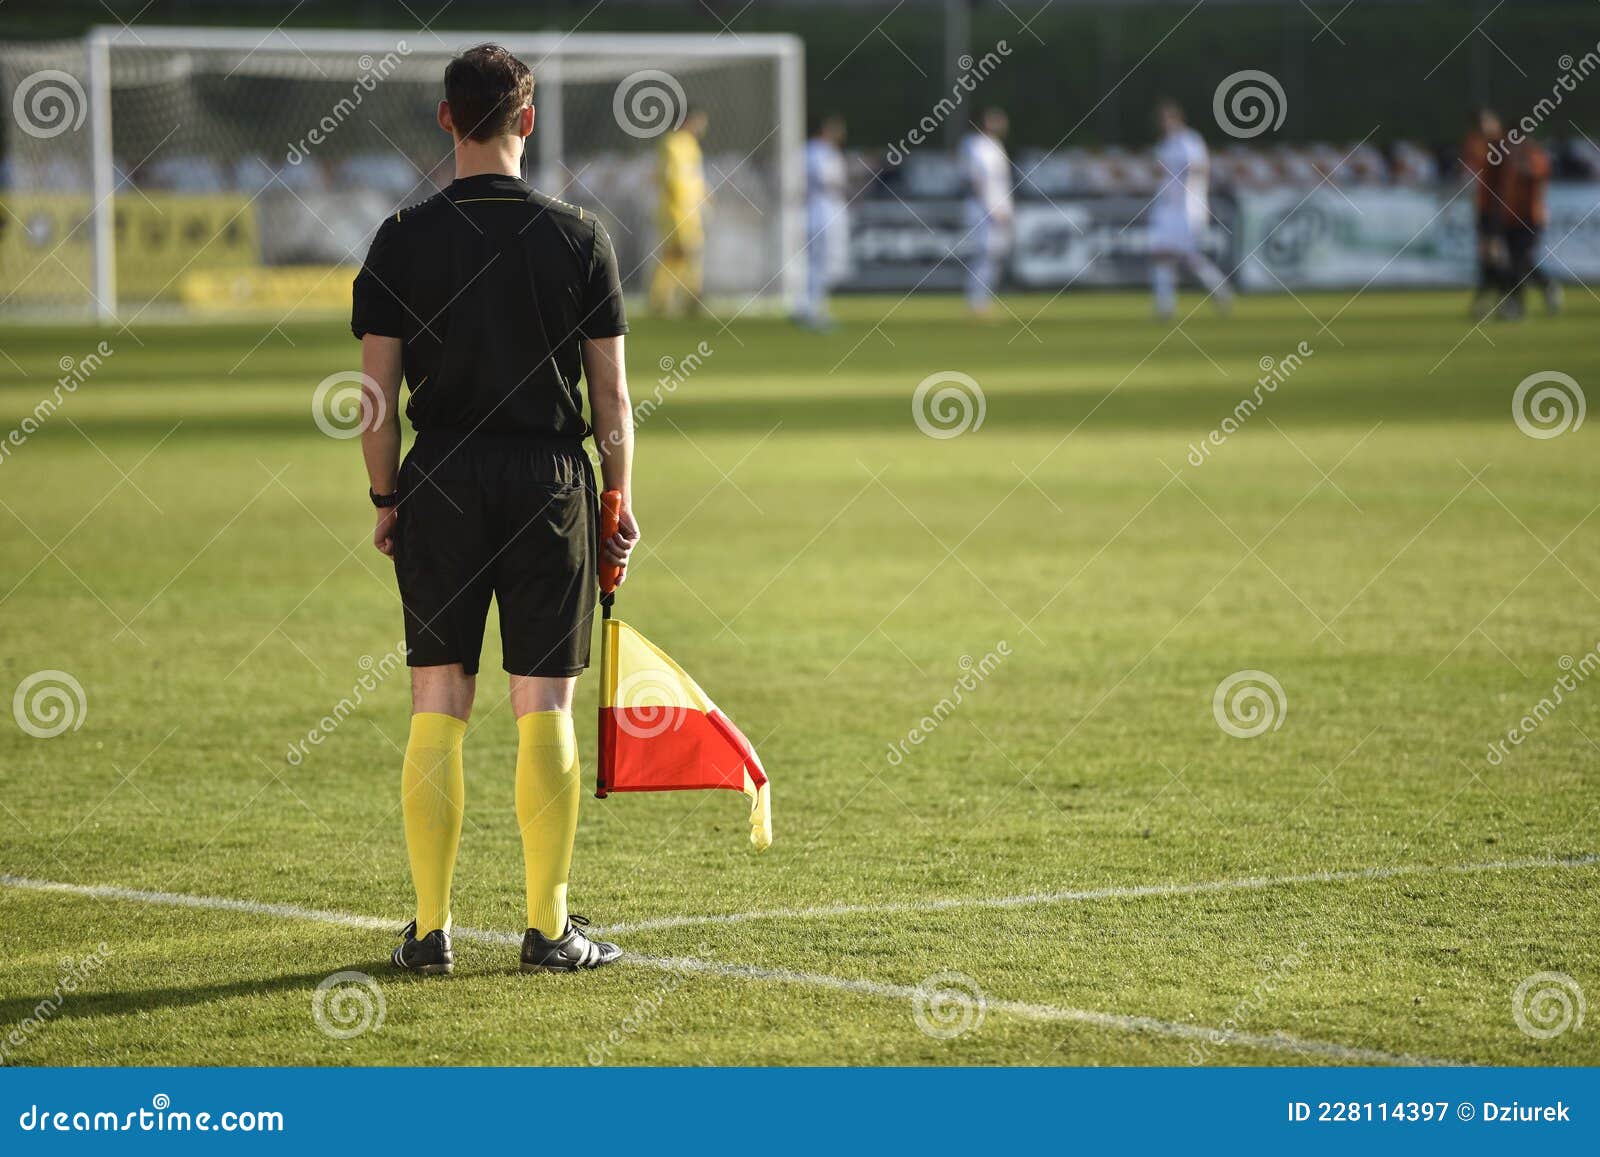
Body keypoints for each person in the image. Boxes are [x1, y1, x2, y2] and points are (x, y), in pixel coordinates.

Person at [350, 43, 640, 976]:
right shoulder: (579, 236)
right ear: (527, 118)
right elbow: (615, 403)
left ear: (446, 120)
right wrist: (617, 499)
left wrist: (387, 495)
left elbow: (372, 398)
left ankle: (429, 930)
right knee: (541, 699)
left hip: (439, 478)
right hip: (551, 479)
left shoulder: (401, 236)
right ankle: (547, 930)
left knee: (438, 695)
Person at [1148, 99, 1232, 321]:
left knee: (1188, 258)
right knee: (1160, 254)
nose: (1164, 123)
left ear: (1176, 118)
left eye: (1167, 118)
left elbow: (1201, 168)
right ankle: (1165, 306)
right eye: (1161, 119)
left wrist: (1182, 175)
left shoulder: (1189, 140)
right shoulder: (1164, 145)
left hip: (1188, 207)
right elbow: (1157, 172)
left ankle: (1219, 289)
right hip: (1166, 208)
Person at [649, 107, 710, 317]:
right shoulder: (671, 144)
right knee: (685, 251)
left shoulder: (691, 146)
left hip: (691, 209)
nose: (702, 127)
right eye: (699, 121)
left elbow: (694, 178)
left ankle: (663, 298)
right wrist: (680, 205)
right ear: (688, 121)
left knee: (676, 256)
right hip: (676, 210)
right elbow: (669, 178)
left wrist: (704, 196)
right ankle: (692, 295)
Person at [1495, 135, 1562, 319]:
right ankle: (1544, 286)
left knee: (1520, 260)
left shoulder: (1534, 157)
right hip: (1509, 220)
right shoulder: (1506, 162)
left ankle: (1518, 304)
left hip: (1531, 219)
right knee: (1517, 262)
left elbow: (1538, 176)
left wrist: (1522, 165)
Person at [959, 107, 1013, 318]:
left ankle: (984, 300)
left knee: (995, 255)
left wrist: (1005, 208)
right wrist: (992, 208)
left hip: (998, 206)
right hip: (983, 208)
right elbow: (978, 181)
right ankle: (977, 302)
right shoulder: (974, 145)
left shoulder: (995, 145)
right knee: (984, 254)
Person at [797, 113, 849, 330]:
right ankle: (811, 308)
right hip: (820, 209)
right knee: (818, 261)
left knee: (826, 263)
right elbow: (826, 180)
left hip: (830, 208)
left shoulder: (830, 152)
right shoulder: (815, 150)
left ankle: (814, 306)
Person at [1462, 108, 1506, 320]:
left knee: (1499, 256)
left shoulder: (1505, 145)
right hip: (1485, 208)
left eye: (1487, 122)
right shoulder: (1475, 144)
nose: (1483, 126)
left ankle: (1496, 298)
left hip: (1503, 208)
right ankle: (1494, 299)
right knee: (1488, 256)